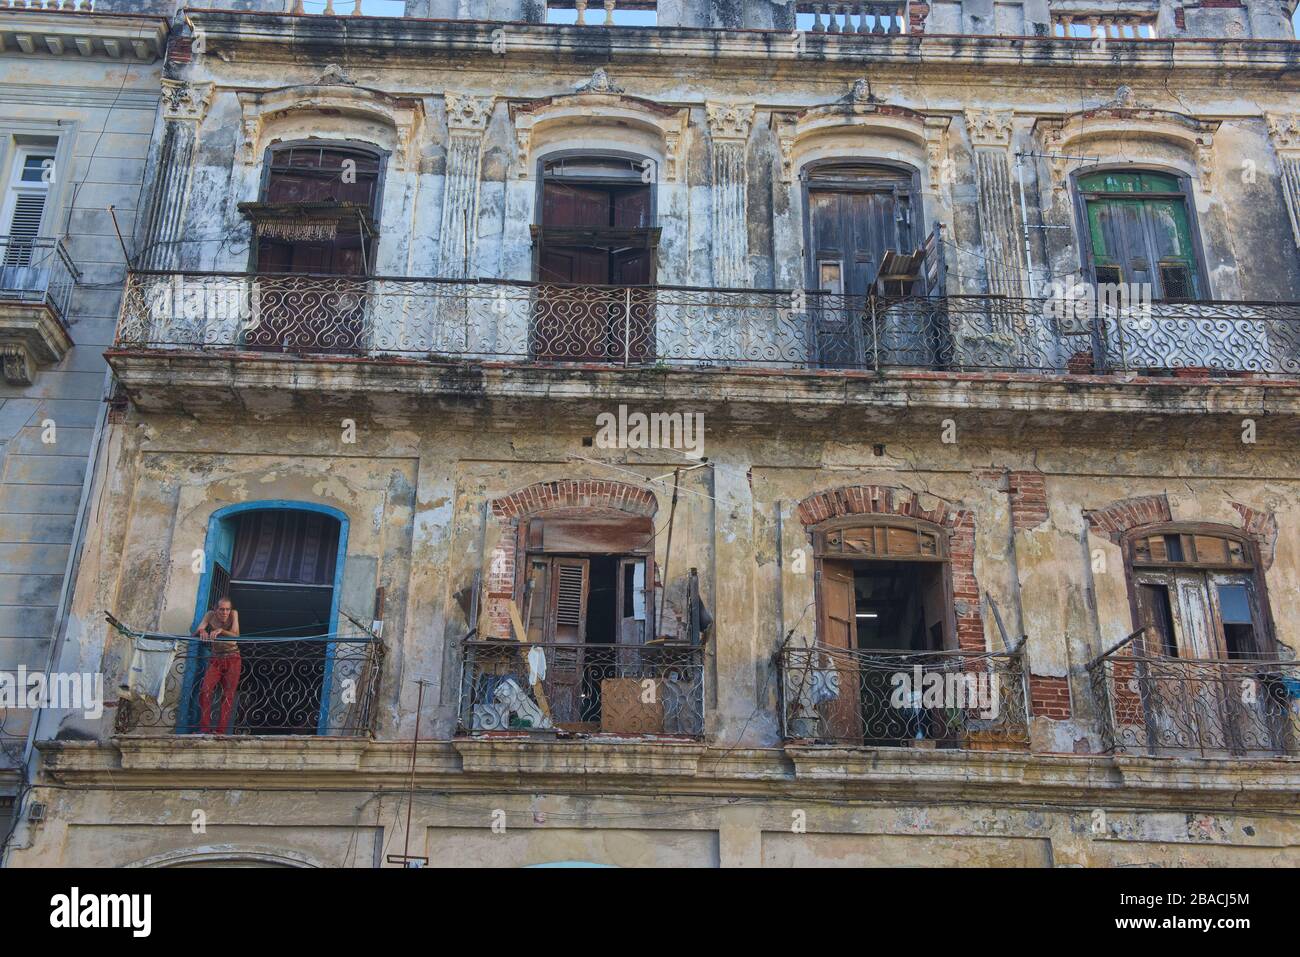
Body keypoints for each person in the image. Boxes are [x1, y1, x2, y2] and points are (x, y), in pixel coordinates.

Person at [194, 597, 241, 734]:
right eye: (221, 609)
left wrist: (221, 630)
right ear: (215, 609)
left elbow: (236, 635)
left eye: (227, 609)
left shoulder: (234, 614)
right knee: (205, 690)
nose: (225, 612)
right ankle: (205, 729)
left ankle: (221, 731)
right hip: (216, 658)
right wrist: (202, 631)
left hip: (233, 658)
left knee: (228, 695)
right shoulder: (210, 615)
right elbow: (198, 629)